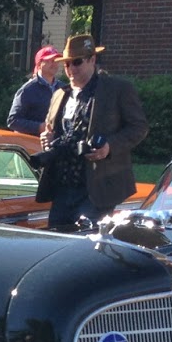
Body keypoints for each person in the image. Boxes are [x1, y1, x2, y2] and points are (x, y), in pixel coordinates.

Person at [34, 34, 149, 229]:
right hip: (62, 187)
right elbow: (51, 129)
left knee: (87, 244)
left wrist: (109, 147)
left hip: (96, 188)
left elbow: (139, 127)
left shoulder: (116, 89)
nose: (71, 69)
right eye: (67, 64)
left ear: (92, 60)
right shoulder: (60, 94)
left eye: (77, 62)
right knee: (56, 243)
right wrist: (48, 138)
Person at [6, 47, 62, 136]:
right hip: (34, 145)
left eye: (56, 60)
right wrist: (39, 127)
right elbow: (13, 121)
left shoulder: (63, 88)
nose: (54, 64)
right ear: (39, 64)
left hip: (58, 143)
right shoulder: (28, 90)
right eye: (49, 61)